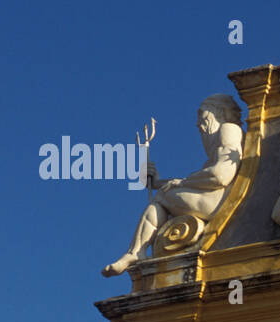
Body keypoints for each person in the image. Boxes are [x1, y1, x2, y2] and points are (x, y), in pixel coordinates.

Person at [102, 95, 243, 277]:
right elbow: (195, 182)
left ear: (219, 113)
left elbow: (220, 175)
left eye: (203, 116)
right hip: (213, 198)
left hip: (220, 202)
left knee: (162, 196)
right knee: (162, 195)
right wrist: (155, 181)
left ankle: (135, 252)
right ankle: (135, 253)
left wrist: (179, 183)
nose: (198, 124)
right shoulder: (218, 145)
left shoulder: (228, 129)